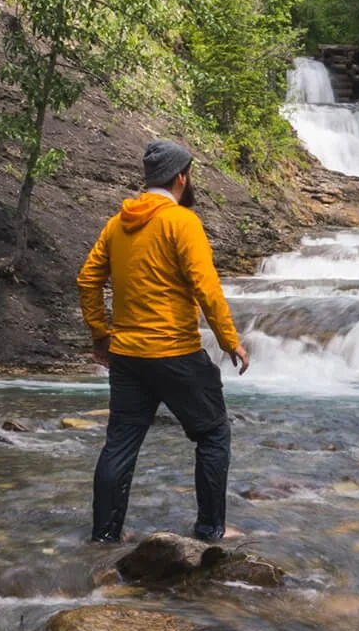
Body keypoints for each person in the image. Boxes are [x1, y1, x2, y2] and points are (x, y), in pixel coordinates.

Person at [76, 139, 250, 543]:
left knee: (119, 444)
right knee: (212, 434)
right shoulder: (182, 222)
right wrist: (229, 341)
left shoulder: (117, 224)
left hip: (127, 357)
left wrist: (101, 335)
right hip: (175, 353)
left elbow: (87, 280)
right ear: (181, 178)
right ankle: (210, 530)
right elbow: (206, 288)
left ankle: (104, 535)